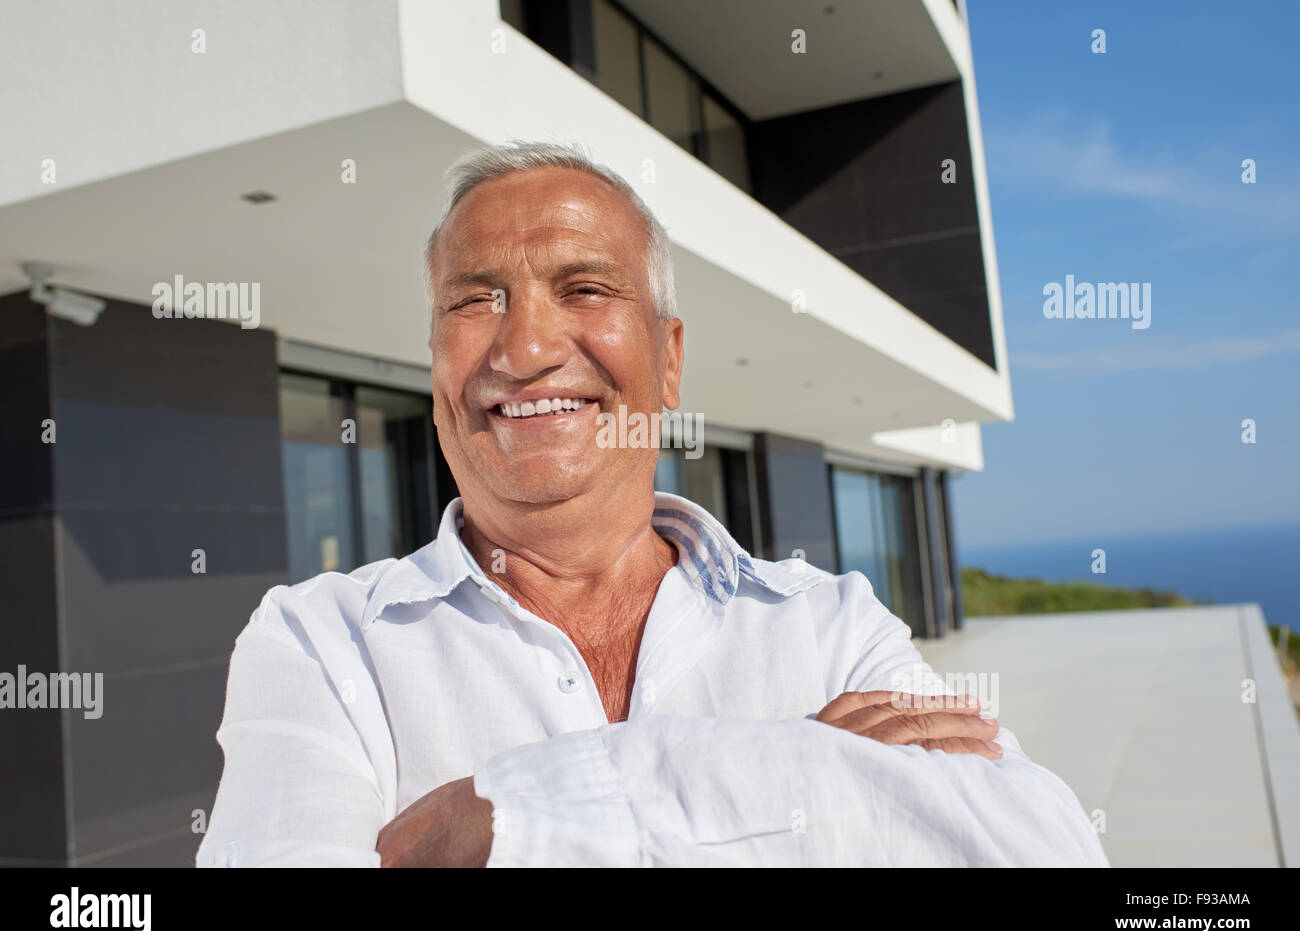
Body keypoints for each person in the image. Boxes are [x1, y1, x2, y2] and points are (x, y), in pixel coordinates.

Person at [196, 141, 1108, 867]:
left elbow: (1039, 848)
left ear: (668, 360)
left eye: (584, 288)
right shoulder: (320, 645)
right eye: (476, 301)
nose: (526, 347)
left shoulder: (831, 625)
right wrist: (800, 777)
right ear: (434, 366)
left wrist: (517, 813)